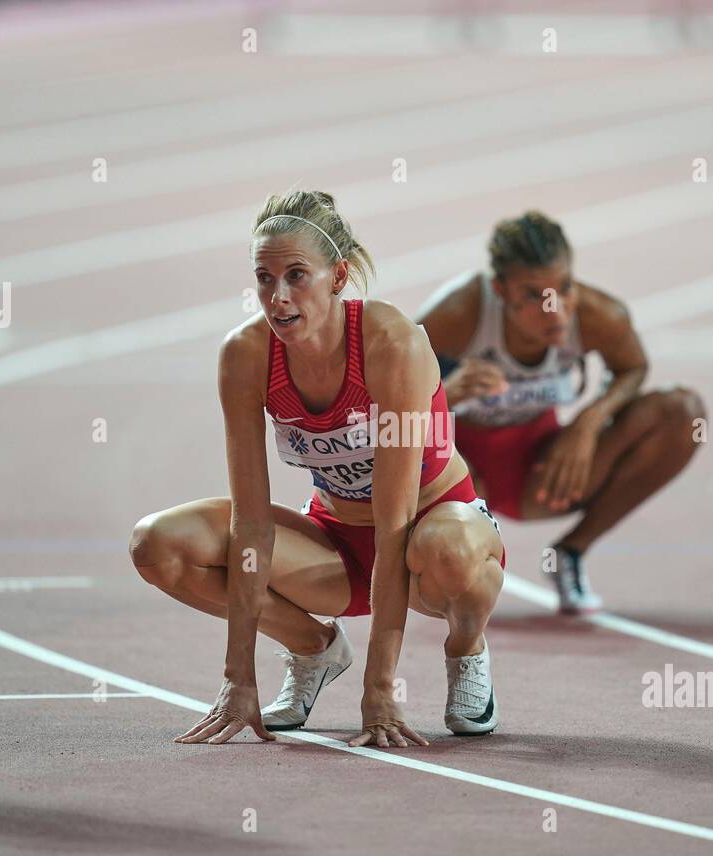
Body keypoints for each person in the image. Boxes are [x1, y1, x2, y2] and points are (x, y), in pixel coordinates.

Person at [130, 189, 506, 747]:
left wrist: (380, 690)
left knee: (446, 550)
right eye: (263, 277)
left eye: (296, 275)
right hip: (337, 544)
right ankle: (314, 648)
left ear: (338, 276)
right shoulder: (246, 355)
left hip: (430, 535)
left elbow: (396, 522)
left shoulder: (391, 343)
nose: (276, 297)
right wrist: (239, 676)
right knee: (159, 545)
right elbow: (251, 523)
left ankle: (466, 648)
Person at [416, 211, 706, 614]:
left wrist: (587, 424)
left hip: (542, 466)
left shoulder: (599, 316)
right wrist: (447, 392)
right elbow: (388, 406)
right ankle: (430, 560)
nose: (555, 311)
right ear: (500, 290)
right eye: (533, 295)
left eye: (564, 287)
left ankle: (571, 553)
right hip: (460, 472)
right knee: (410, 447)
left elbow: (633, 368)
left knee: (683, 413)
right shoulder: (459, 314)